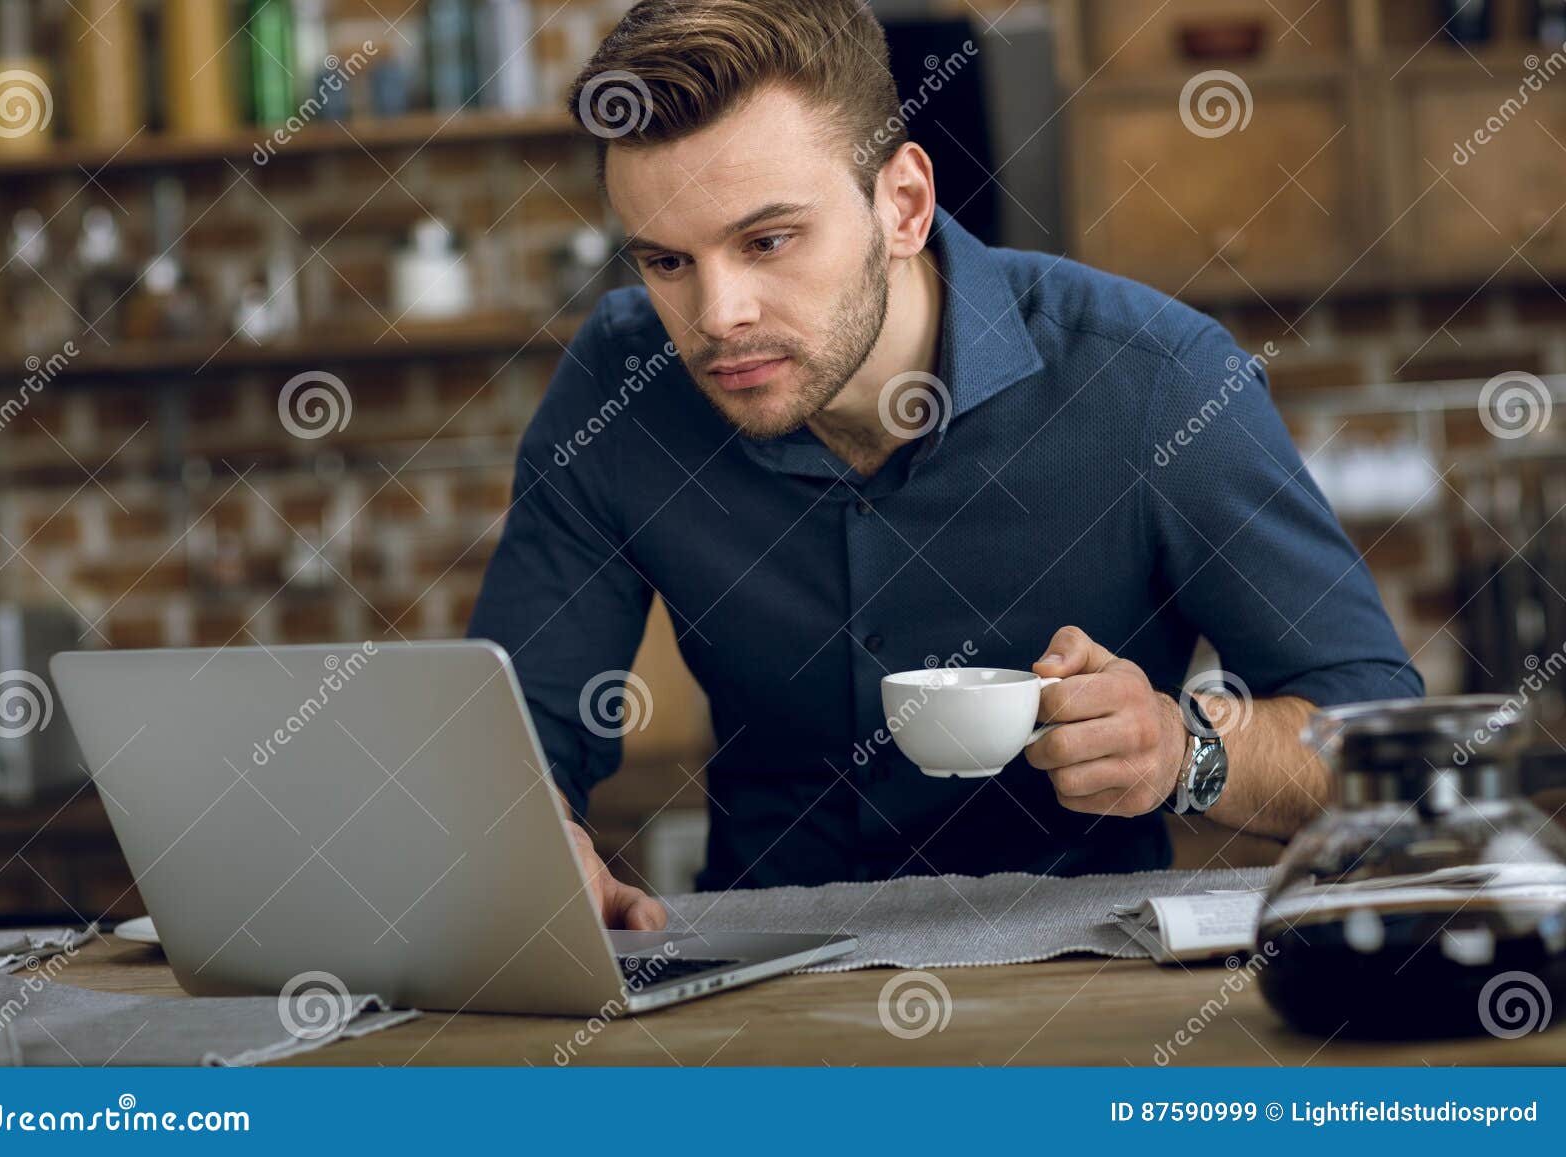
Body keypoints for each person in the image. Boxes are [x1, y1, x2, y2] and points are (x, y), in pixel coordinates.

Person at [467, 0, 1423, 931]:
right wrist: (532, 844)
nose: (718, 317)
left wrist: (1187, 754)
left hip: (1077, 986)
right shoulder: (620, 384)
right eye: (667, 263)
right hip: (757, 995)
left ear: (904, 205)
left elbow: (1391, 749)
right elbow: (516, 742)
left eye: (767, 241)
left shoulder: (1157, 383)